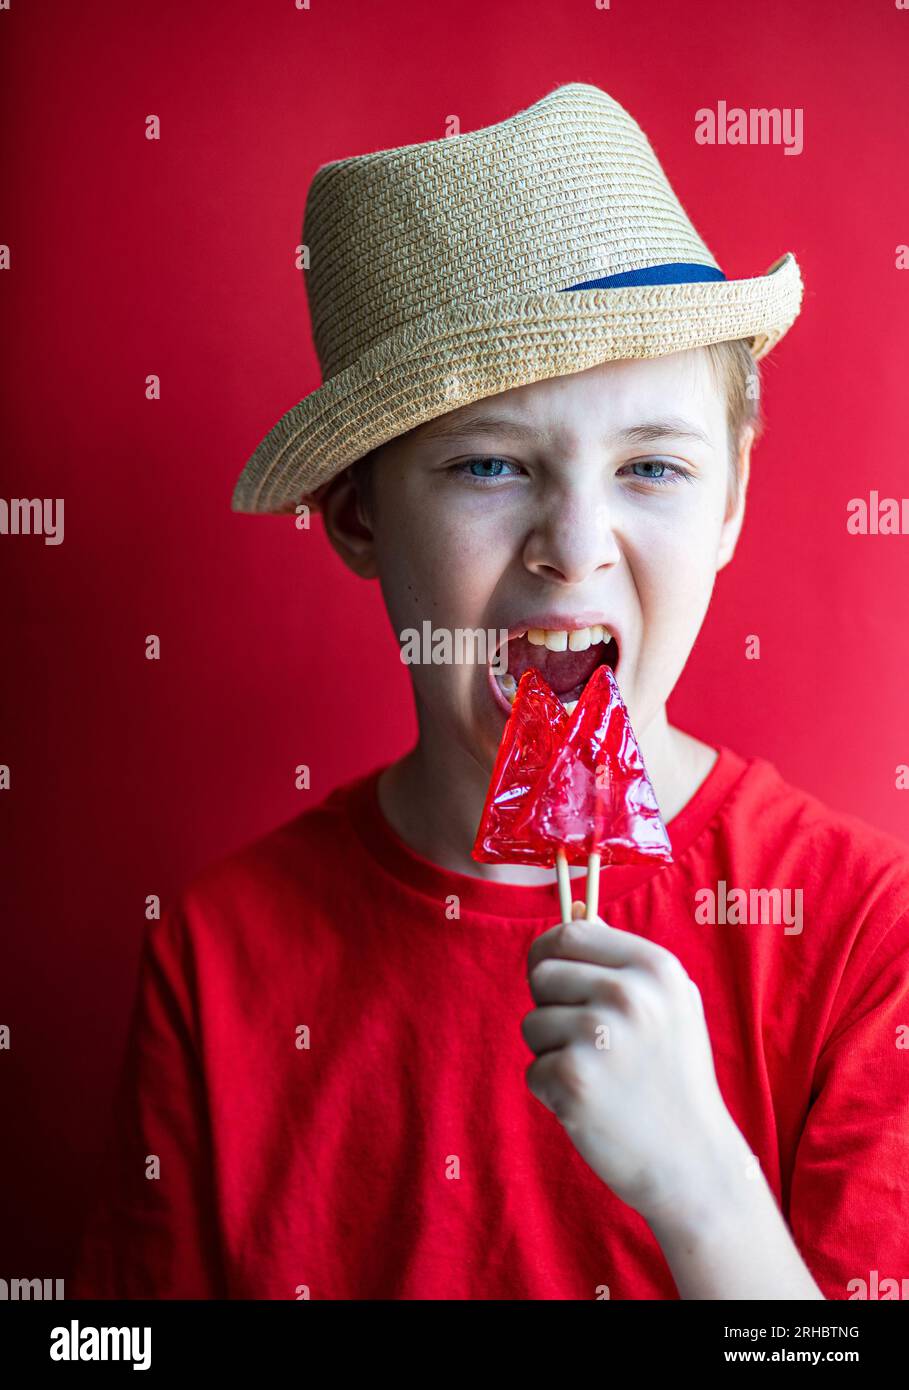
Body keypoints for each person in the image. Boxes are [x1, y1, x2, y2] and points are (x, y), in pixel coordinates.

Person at [71, 82, 909, 1301]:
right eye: (489, 464)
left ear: (730, 501)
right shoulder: (220, 955)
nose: (575, 544)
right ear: (357, 514)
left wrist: (705, 1192)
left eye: (653, 466)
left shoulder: (864, 935)